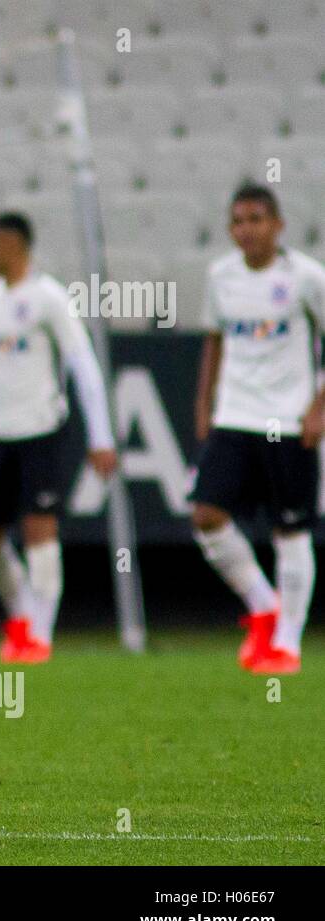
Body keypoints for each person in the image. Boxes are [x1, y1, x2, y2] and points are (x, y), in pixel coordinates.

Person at [0, 212, 117, 663]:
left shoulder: (49, 298)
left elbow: (82, 365)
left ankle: (39, 635)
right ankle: (21, 613)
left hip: (42, 430)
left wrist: (102, 435)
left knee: (38, 527)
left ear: (15, 247)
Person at [190, 183, 325, 675]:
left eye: (256, 219)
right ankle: (263, 604)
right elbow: (215, 341)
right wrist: (204, 404)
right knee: (206, 514)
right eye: (238, 221)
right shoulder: (220, 276)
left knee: (290, 531)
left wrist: (318, 408)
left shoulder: (307, 277)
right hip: (235, 415)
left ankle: (287, 641)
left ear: (278, 226)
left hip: (288, 422)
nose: (246, 229)